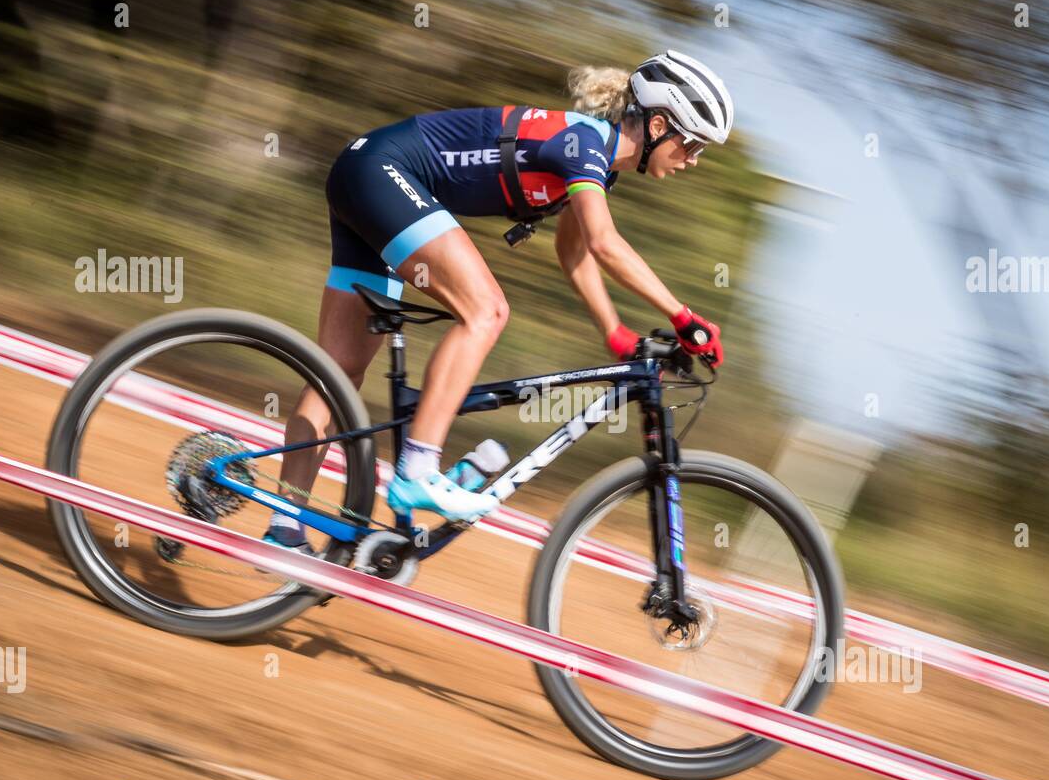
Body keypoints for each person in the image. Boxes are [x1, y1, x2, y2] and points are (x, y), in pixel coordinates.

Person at [265, 50, 733, 552]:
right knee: (486, 309)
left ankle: (284, 526)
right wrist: (684, 317)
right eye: (692, 143)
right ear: (660, 123)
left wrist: (613, 330)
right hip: (382, 172)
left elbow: (573, 249)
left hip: (363, 172)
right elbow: (604, 242)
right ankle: (419, 467)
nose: (692, 159)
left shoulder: (597, 161)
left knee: (341, 371)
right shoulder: (585, 145)